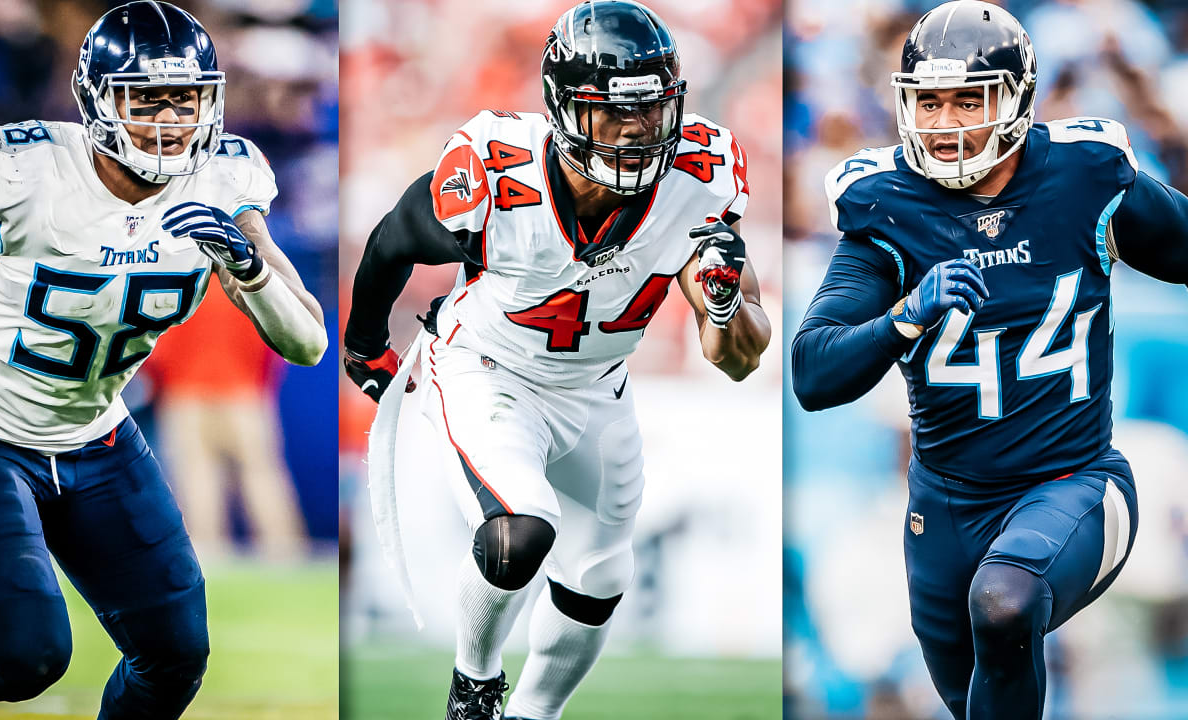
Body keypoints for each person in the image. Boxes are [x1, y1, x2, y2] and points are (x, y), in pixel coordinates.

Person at [343, 2, 770, 718]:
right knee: (522, 527)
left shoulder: (701, 177)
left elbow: (736, 361)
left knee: (600, 578)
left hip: (597, 390)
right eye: (613, 113)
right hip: (489, 370)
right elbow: (393, 240)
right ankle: (473, 686)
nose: (638, 132)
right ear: (564, 108)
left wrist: (724, 307)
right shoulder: (498, 171)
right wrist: (364, 345)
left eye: (653, 112)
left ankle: (534, 714)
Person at [0, 2, 326, 718]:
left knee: (175, 656)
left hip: (97, 434)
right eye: (147, 101)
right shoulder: (28, 174)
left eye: (187, 100)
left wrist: (248, 266)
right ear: (99, 101)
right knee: (23, 654)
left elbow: (308, 343)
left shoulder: (223, 182)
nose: (170, 121)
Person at [792, 2, 1188, 718]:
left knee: (1004, 602)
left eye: (969, 99)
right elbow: (814, 374)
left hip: (1074, 484)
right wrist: (901, 320)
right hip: (944, 515)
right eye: (930, 102)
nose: (945, 124)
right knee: (971, 688)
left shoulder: (1086, 176)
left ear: (1017, 99)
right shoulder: (886, 208)